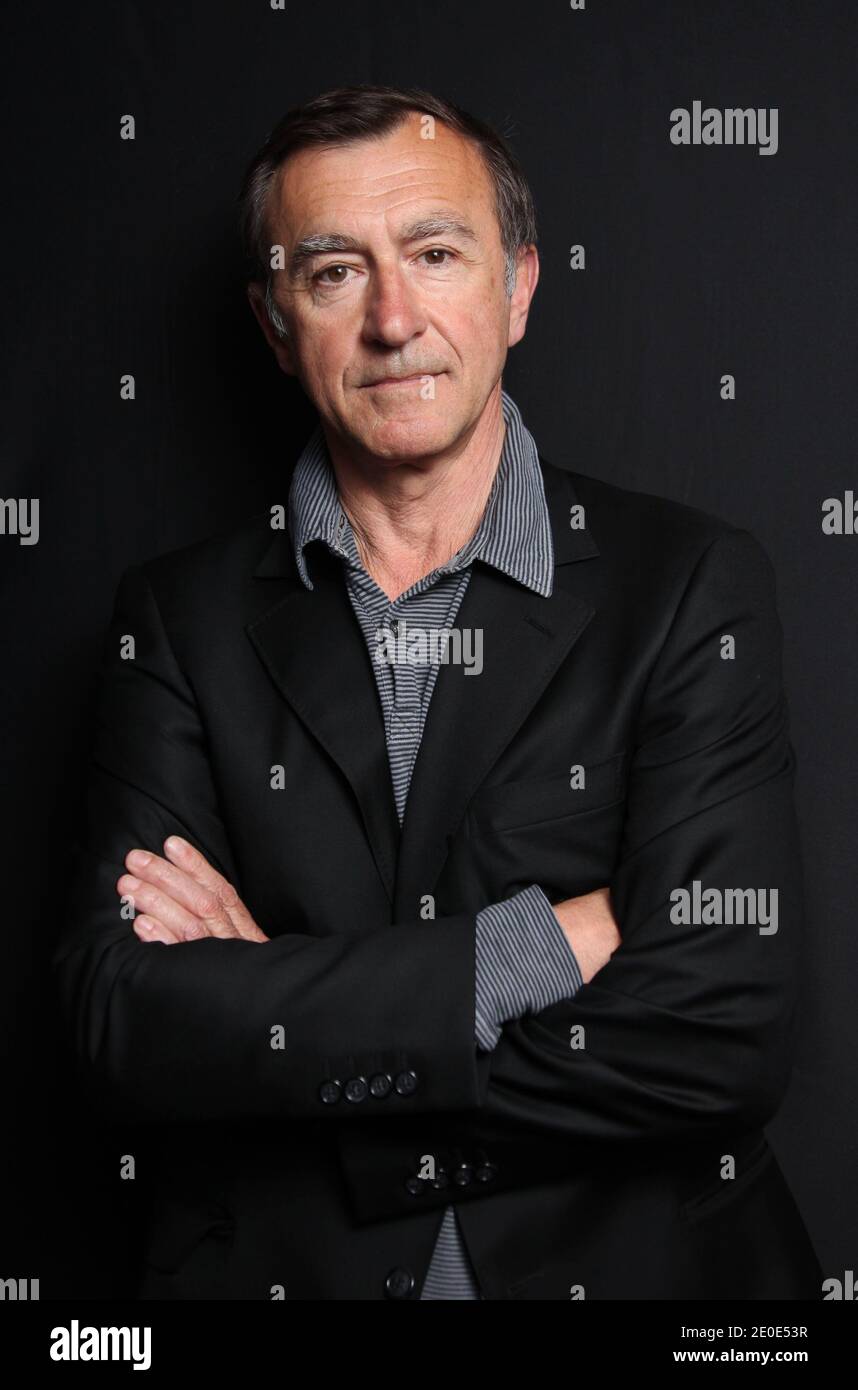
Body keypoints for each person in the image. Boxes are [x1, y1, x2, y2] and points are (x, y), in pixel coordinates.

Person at [53, 84, 822, 1300]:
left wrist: (289, 1019)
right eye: (334, 274)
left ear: (517, 288)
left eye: (434, 252)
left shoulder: (689, 586)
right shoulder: (176, 620)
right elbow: (123, 1027)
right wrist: (521, 953)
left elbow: (718, 1035)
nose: (394, 318)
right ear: (273, 318)